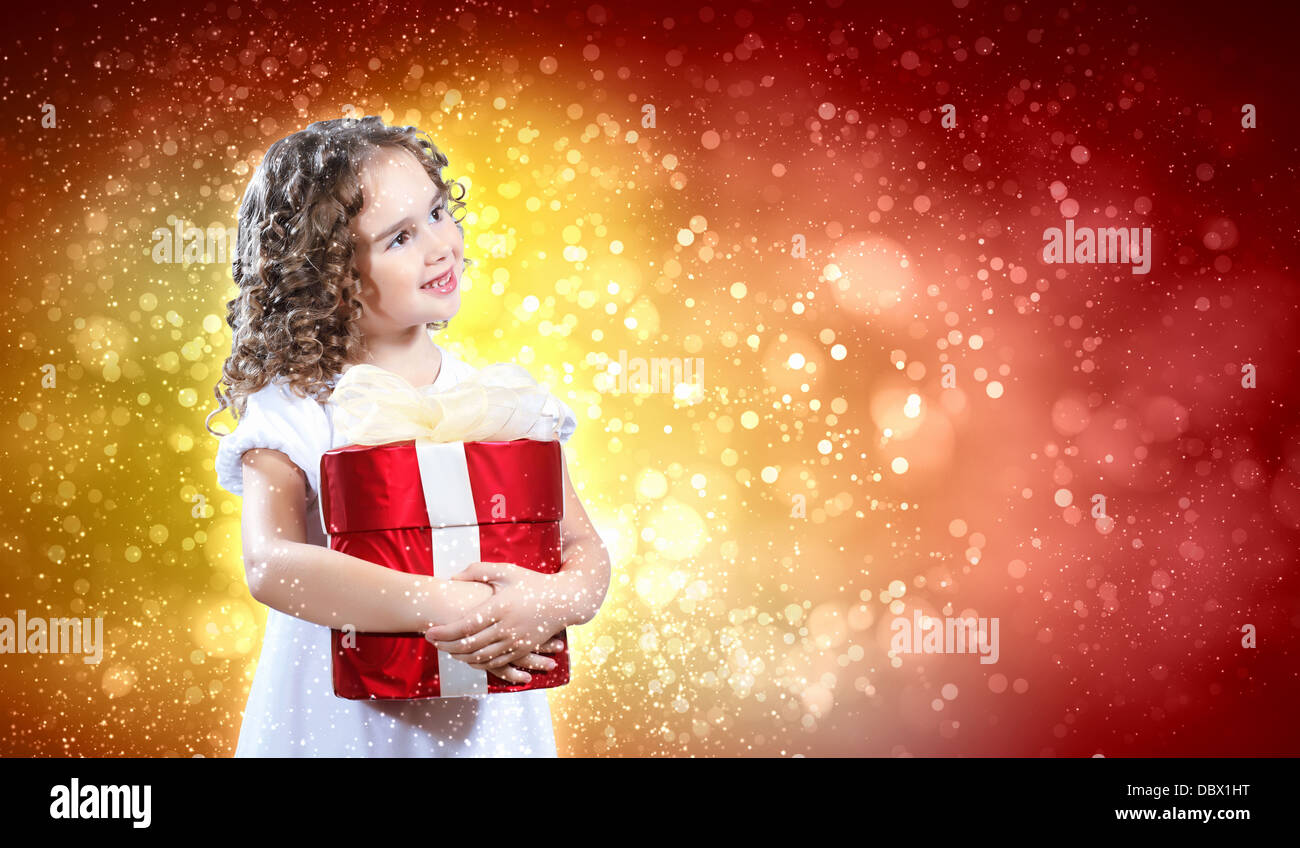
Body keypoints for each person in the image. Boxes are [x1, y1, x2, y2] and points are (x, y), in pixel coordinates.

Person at [205, 116, 611, 756]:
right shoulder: (299, 410)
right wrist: (445, 606)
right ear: (328, 275)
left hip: (492, 737)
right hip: (340, 734)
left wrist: (554, 601)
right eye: (399, 238)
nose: (440, 245)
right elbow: (271, 565)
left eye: (438, 212)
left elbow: (583, 547)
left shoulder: (502, 401)